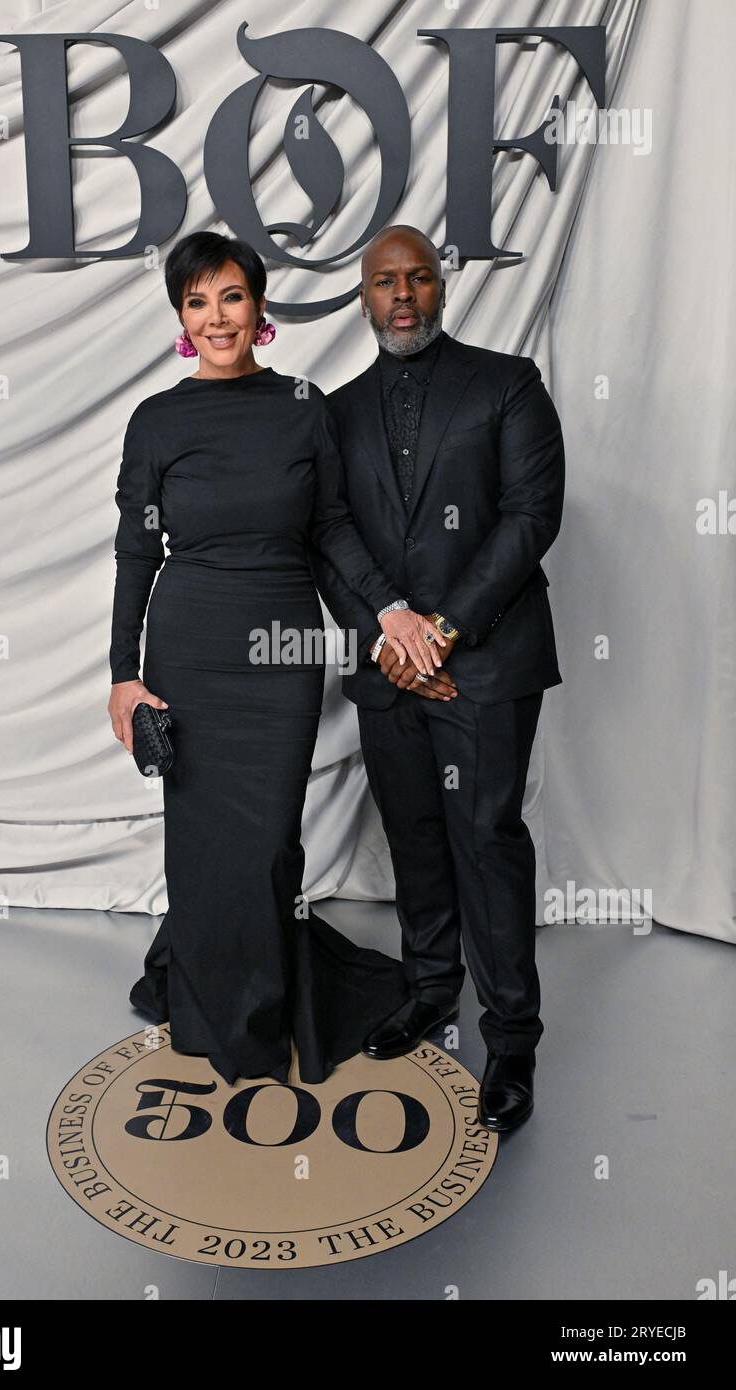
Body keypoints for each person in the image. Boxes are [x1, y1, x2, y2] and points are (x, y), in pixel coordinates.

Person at [107, 230, 446, 1088]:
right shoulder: (156, 422)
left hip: (280, 654)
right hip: (187, 651)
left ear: (259, 308)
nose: (215, 316)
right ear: (182, 318)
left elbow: (332, 526)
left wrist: (391, 611)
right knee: (202, 844)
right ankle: (216, 1013)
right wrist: (123, 675)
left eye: (230, 296)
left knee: (264, 845)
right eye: (196, 301)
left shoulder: (304, 404)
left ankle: (267, 1005)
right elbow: (137, 554)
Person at [308, 225, 565, 1131]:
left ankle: (512, 1039)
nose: (404, 294)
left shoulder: (508, 385)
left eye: (418, 278)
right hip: (389, 671)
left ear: (441, 289)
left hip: (487, 667)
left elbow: (531, 519)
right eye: (385, 282)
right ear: (363, 295)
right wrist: (395, 638)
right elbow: (327, 535)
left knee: (485, 842)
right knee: (414, 836)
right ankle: (427, 990)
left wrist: (444, 634)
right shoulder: (332, 414)